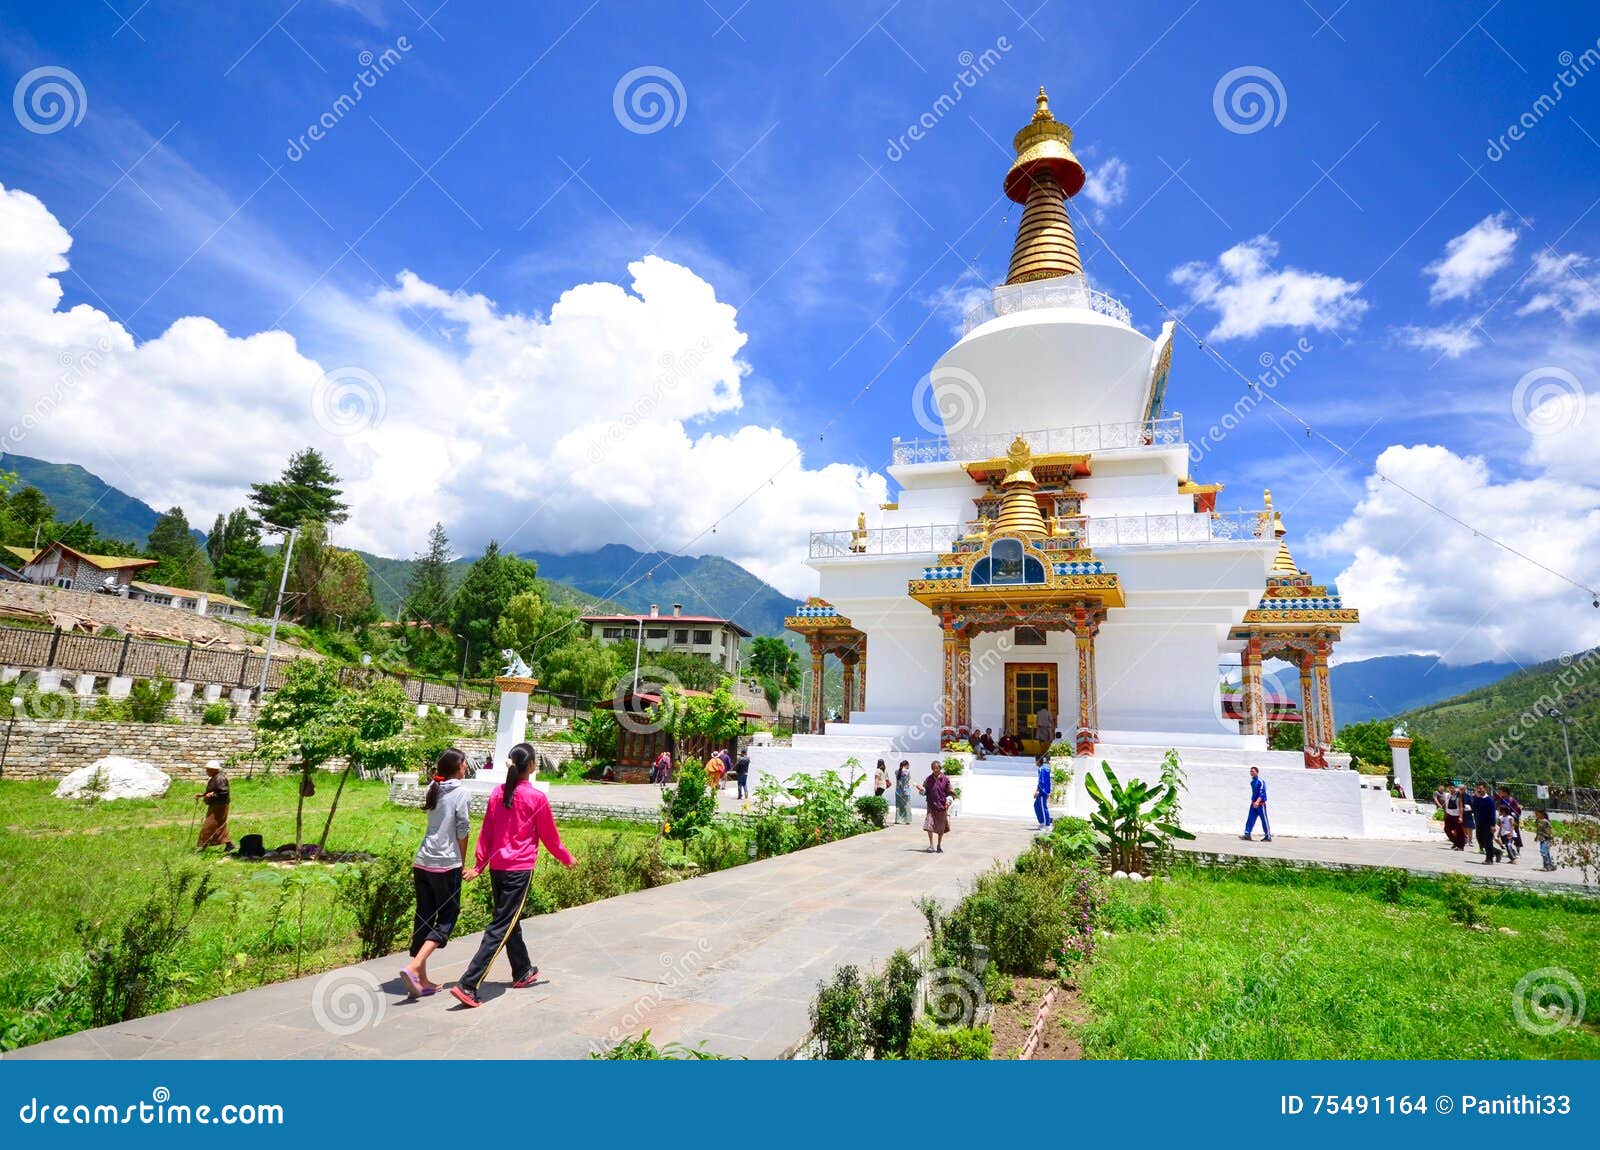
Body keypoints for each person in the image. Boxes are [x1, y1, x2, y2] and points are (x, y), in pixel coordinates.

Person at [450, 743, 575, 1008]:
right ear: (531, 766)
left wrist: (479, 865)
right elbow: (550, 837)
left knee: (509, 920)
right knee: (502, 925)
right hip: (519, 869)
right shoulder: (536, 798)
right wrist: (566, 858)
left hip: (498, 868)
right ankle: (468, 983)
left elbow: (487, 832)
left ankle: (522, 970)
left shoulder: (498, 793)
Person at [401, 749, 471, 999]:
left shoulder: (433, 786)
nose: (466, 767)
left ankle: (421, 979)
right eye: (464, 763)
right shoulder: (461, 792)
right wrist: (462, 861)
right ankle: (414, 967)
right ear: (458, 766)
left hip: (422, 861)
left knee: (424, 916)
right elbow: (462, 829)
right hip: (445, 863)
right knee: (447, 918)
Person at [915, 760, 952, 853]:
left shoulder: (945, 779)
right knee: (929, 825)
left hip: (942, 806)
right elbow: (925, 791)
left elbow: (950, 792)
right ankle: (931, 845)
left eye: (937, 768)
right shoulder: (928, 779)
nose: (935, 770)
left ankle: (939, 845)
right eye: (933, 768)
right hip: (931, 805)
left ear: (940, 768)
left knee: (941, 828)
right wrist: (921, 790)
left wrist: (948, 800)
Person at [195, 761, 233, 851]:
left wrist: (213, 794)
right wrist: (203, 795)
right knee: (218, 825)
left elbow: (224, 792)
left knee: (209, 825)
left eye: (209, 770)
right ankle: (229, 845)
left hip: (220, 806)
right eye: (207, 770)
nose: (207, 772)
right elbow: (213, 791)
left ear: (215, 770)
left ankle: (203, 847)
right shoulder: (214, 777)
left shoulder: (220, 778)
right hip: (215, 805)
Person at [1469, 783, 1500, 863]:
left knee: (1488, 841)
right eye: (1478, 788)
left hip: (1488, 824)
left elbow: (1492, 813)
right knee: (1481, 841)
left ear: (1485, 789)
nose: (1479, 790)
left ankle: (1489, 859)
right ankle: (1497, 852)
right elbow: (1474, 809)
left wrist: (1493, 825)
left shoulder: (1489, 800)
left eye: (1480, 788)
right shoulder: (1476, 799)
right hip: (1479, 823)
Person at [1240, 766, 1271, 842]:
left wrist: (1257, 802)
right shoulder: (1252, 782)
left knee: (1264, 820)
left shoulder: (1260, 781)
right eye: (1251, 771)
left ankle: (1268, 836)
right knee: (1250, 819)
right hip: (1253, 804)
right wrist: (1253, 802)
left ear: (1257, 772)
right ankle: (1247, 834)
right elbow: (1254, 793)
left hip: (1260, 804)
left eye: (1253, 771)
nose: (1252, 773)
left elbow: (1262, 792)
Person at [1442, 785, 1467, 850]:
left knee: (1459, 831)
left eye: (1452, 788)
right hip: (1449, 815)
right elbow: (1446, 806)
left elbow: (1461, 807)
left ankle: (1460, 846)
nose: (1451, 789)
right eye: (1449, 788)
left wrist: (1460, 817)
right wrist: (1445, 813)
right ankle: (1456, 842)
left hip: (1457, 815)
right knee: (1447, 829)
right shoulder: (1447, 795)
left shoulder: (1458, 795)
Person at [1032, 754, 1053, 830]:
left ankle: (1047, 824)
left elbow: (1041, 781)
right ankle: (1042, 822)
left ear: (1038, 761)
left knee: (1043, 807)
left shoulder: (1041, 769)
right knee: (1036, 805)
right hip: (1044, 790)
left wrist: (1038, 791)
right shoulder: (1045, 768)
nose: (1035, 762)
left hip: (1043, 791)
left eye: (1035, 761)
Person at [894, 760, 912, 825]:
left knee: (898, 805)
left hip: (898, 790)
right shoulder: (907, 772)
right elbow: (908, 780)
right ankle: (907, 820)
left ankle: (898, 820)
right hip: (906, 790)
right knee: (907, 804)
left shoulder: (896, 771)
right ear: (906, 765)